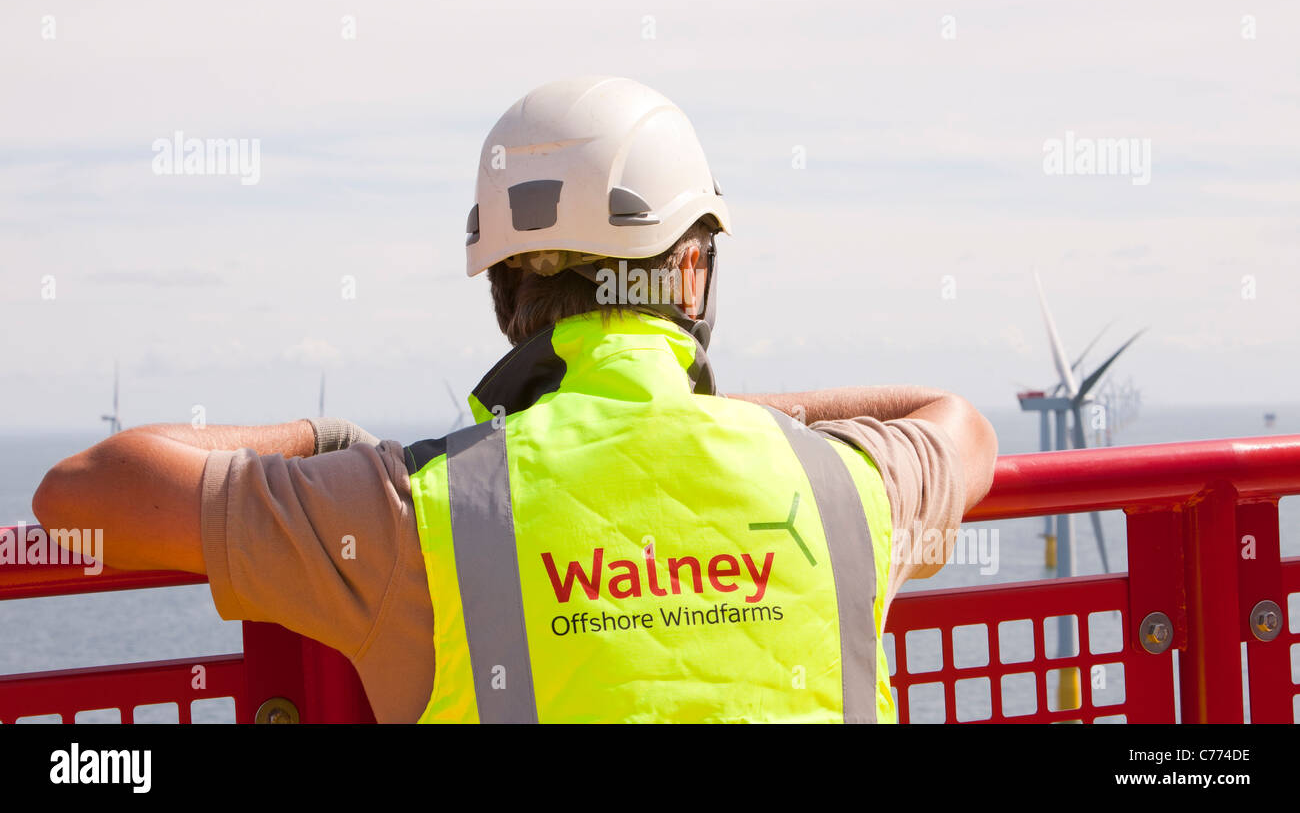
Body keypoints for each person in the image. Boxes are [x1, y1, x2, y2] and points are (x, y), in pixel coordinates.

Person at [33, 76, 997, 723]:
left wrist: (323, 436)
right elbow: (958, 423)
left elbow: (81, 495)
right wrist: (723, 418)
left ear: (502, 292)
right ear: (693, 272)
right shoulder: (848, 489)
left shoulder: (416, 512)